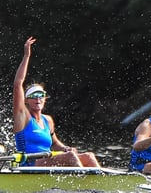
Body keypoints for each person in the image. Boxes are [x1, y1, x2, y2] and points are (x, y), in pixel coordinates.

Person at [12, 37, 100, 167]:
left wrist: (65, 148)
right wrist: (26, 56)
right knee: (70, 157)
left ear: (45, 98)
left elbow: (54, 144)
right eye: (33, 95)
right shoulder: (22, 116)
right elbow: (18, 83)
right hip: (29, 164)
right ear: (26, 100)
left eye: (41, 95)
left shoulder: (48, 120)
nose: (38, 98)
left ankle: (103, 184)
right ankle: (82, 186)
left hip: (47, 162)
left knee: (89, 156)